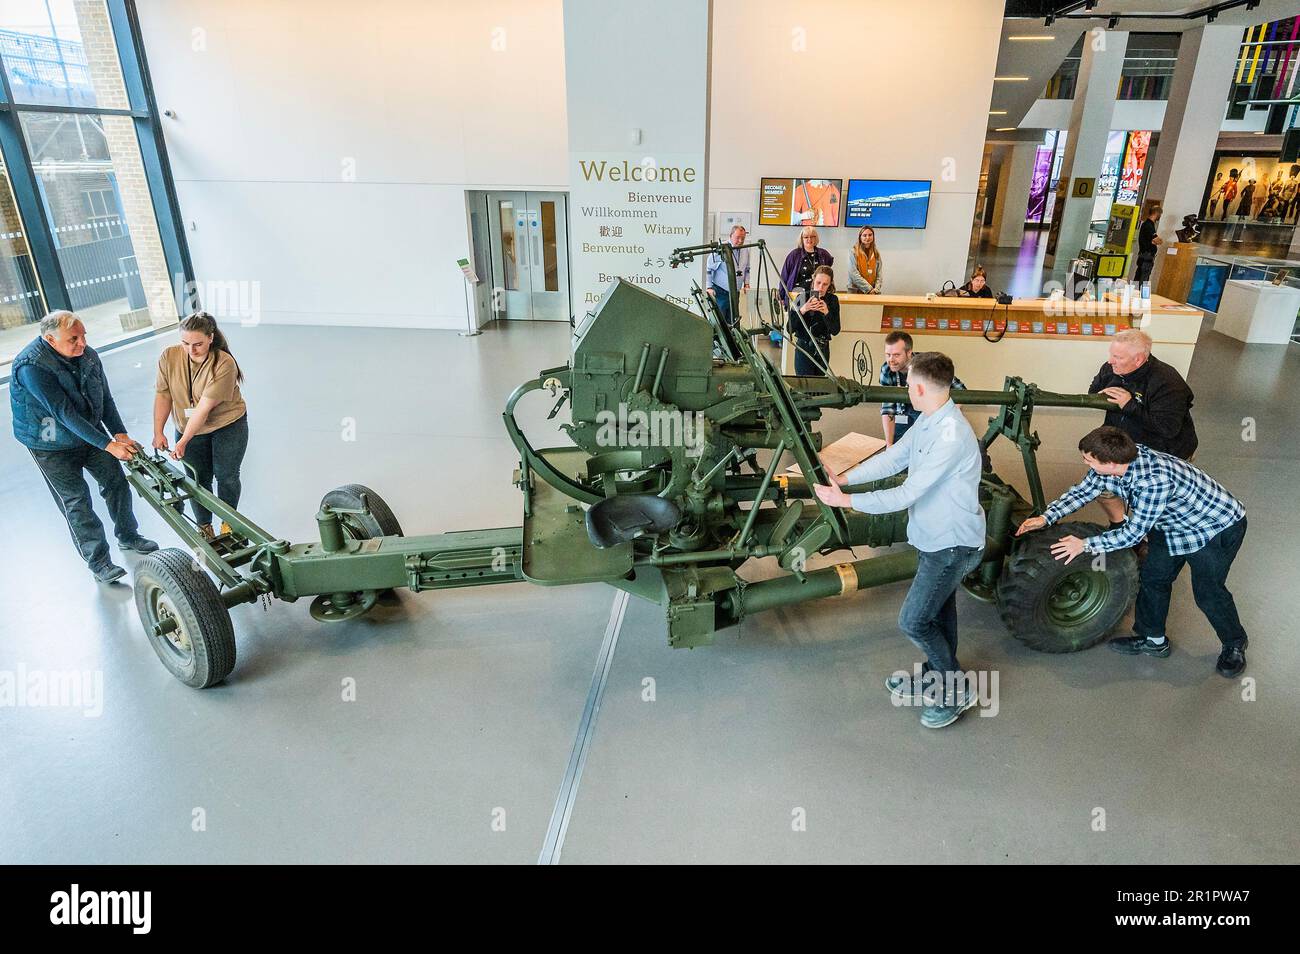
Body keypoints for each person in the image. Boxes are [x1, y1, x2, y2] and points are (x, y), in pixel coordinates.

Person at [814, 352, 986, 729]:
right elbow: (894, 459)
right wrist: (846, 478)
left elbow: (906, 493)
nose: (906, 390)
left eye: (908, 385)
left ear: (920, 387)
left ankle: (956, 689)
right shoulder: (929, 420)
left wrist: (846, 501)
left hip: (951, 544)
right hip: (933, 538)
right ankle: (935, 673)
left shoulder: (951, 435)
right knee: (939, 612)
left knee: (913, 621)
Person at [1016, 426, 1248, 678]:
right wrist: (1046, 517)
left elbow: (1133, 534)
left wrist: (1084, 545)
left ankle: (1234, 644)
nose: (1084, 462)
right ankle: (1153, 640)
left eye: (1088, 459)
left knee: (1208, 592)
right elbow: (1083, 491)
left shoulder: (1154, 480)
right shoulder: (1114, 465)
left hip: (1212, 528)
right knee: (1152, 579)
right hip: (1170, 525)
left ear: (1112, 463)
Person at [9, 311, 157, 583]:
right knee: (76, 500)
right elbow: (63, 413)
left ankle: (128, 535)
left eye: (84, 335)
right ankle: (99, 562)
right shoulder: (32, 367)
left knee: (116, 482)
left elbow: (105, 398)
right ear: (50, 340)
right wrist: (108, 444)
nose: (82, 343)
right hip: (49, 441)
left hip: (87, 430)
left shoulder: (88, 355)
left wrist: (119, 434)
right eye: (73, 338)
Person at [1087, 328, 1196, 530]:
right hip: (1123, 442)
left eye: (1117, 357)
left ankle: (1146, 537)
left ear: (1138, 360)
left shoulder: (1167, 382)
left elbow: (1167, 429)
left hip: (1163, 450)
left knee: (1151, 503)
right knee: (1102, 488)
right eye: (1111, 354)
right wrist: (1099, 396)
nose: (1110, 361)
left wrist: (1130, 406)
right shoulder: (1110, 368)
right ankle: (1119, 526)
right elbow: (1093, 391)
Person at [153, 312, 249, 539]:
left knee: (226, 476)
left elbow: (204, 409)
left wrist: (184, 440)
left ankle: (229, 522)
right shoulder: (169, 356)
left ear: (211, 338)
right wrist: (158, 431)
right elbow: (163, 394)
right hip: (187, 426)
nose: (191, 350)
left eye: (198, 344)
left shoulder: (224, 363)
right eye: (185, 343)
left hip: (227, 425)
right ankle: (204, 526)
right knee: (197, 479)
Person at [878, 331, 966, 446]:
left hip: (927, 418)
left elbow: (962, 392)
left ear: (909, 353)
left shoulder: (927, 365)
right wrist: (889, 445)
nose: (891, 360)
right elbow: (887, 409)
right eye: (888, 355)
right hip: (902, 418)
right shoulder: (886, 370)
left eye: (896, 355)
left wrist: (940, 417)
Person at [787, 265, 839, 375]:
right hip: (804, 348)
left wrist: (826, 312)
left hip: (822, 349)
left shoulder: (833, 300)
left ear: (830, 285)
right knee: (804, 385)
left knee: (819, 387)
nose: (820, 288)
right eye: (818, 283)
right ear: (813, 280)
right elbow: (789, 328)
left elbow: (835, 330)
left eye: (825, 284)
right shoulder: (801, 297)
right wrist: (803, 310)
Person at [705, 224, 750, 326]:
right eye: (738, 237)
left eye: (743, 238)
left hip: (735, 293)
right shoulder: (721, 249)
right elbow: (709, 269)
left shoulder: (745, 250)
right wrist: (708, 287)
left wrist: (746, 284)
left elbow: (747, 269)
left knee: (734, 323)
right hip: (721, 292)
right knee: (719, 324)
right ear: (730, 235)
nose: (740, 241)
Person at [779, 226, 833, 306]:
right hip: (798, 293)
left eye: (812, 237)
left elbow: (828, 272)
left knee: (816, 317)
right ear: (802, 239)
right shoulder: (794, 255)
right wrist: (781, 296)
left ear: (816, 238)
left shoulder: (823, 254)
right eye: (806, 237)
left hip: (817, 294)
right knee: (798, 317)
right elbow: (784, 276)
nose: (809, 239)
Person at [846, 225, 883, 294]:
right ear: (860, 237)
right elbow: (853, 274)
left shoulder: (876, 253)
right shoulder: (853, 252)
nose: (867, 237)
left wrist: (876, 289)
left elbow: (879, 275)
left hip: (873, 292)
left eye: (870, 235)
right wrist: (868, 289)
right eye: (864, 235)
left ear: (873, 237)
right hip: (855, 290)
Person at [1133, 205, 1162, 286]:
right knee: (1144, 278)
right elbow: (1158, 241)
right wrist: (1156, 241)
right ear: (1156, 213)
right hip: (1147, 255)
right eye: (1160, 215)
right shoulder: (1149, 225)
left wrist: (1154, 241)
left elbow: (1155, 240)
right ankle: (1141, 296)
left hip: (1143, 255)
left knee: (1139, 276)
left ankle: (1133, 294)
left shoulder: (1146, 224)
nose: (1159, 217)